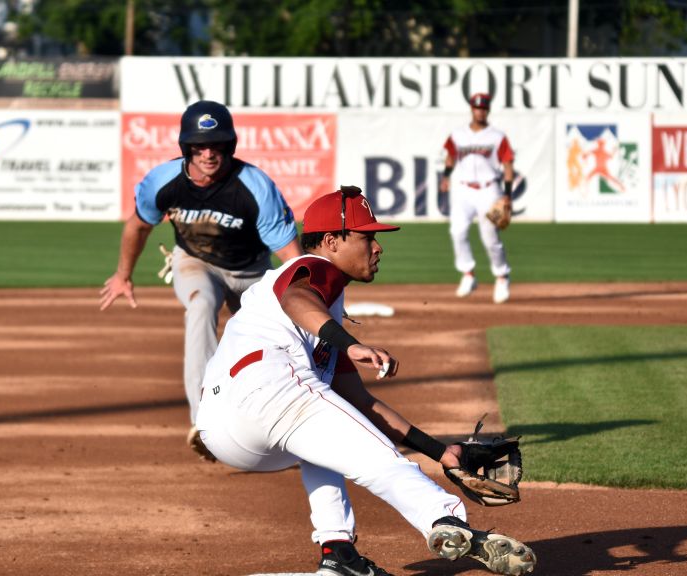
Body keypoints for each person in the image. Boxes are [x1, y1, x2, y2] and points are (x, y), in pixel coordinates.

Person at [195, 186, 536, 576]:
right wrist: (350, 345)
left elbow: (357, 399)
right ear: (331, 241)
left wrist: (438, 451)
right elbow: (296, 299)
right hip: (264, 383)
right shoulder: (311, 269)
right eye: (366, 236)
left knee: (323, 441)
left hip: (224, 428)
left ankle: (338, 552)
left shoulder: (325, 313)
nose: (377, 248)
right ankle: (444, 520)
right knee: (373, 455)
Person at [99, 100, 302, 461]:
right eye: (200, 145)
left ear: (229, 145)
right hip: (196, 262)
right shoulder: (164, 182)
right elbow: (138, 226)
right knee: (201, 304)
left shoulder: (254, 186)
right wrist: (122, 275)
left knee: (273, 337)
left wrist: (307, 297)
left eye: (217, 145)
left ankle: (286, 417)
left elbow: (290, 254)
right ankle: (204, 423)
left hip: (252, 270)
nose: (208, 153)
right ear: (186, 147)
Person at [439, 93, 515, 304]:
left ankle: (501, 276)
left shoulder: (497, 136)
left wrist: (507, 195)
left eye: (483, 108)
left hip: (489, 189)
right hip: (463, 189)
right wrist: (445, 176)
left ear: (487, 110)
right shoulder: (458, 135)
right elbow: (451, 156)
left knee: (490, 237)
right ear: (471, 109)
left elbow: (508, 164)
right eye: (476, 107)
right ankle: (468, 274)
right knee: (457, 231)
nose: (480, 111)